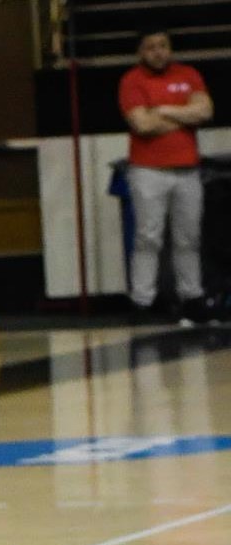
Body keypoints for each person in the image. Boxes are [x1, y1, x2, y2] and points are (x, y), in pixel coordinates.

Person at [117, 26, 214, 324]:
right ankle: (142, 302)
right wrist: (185, 115)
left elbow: (205, 112)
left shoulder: (189, 74)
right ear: (140, 51)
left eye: (163, 46)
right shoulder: (132, 80)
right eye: (151, 47)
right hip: (148, 171)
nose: (158, 52)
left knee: (189, 237)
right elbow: (142, 125)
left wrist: (162, 110)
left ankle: (192, 297)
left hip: (187, 171)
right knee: (148, 237)